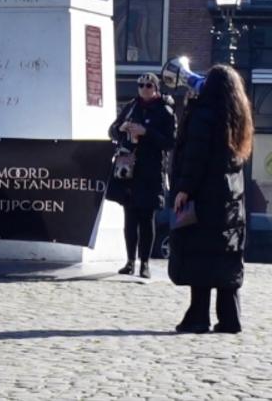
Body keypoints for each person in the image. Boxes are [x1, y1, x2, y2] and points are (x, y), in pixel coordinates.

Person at [169, 64, 252, 334]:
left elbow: (196, 155)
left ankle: (198, 316)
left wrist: (184, 188)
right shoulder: (238, 116)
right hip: (231, 198)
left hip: (205, 196)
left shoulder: (204, 114)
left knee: (200, 255)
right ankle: (230, 318)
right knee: (226, 257)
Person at [106, 72, 176, 279]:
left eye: (148, 85)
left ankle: (144, 262)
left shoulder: (165, 111)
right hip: (129, 170)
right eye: (141, 85)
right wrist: (121, 129)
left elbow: (170, 142)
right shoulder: (131, 106)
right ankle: (129, 261)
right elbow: (112, 130)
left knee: (147, 218)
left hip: (150, 170)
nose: (144, 89)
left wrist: (146, 132)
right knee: (129, 217)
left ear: (156, 88)